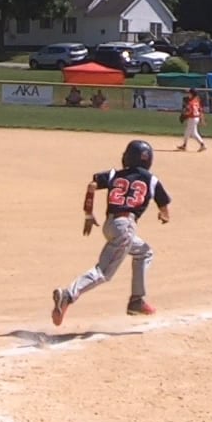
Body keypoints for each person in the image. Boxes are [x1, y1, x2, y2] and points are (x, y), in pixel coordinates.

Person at [50, 139, 172, 325]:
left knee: (144, 252)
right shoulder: (152, 180)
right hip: (126, 227)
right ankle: (68, 295)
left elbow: (92, 185)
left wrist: (89, 214)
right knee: (103, 272)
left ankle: (136, 301)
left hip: (110, 224)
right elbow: (164, 208)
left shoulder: (115, 174)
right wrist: (164, 215)